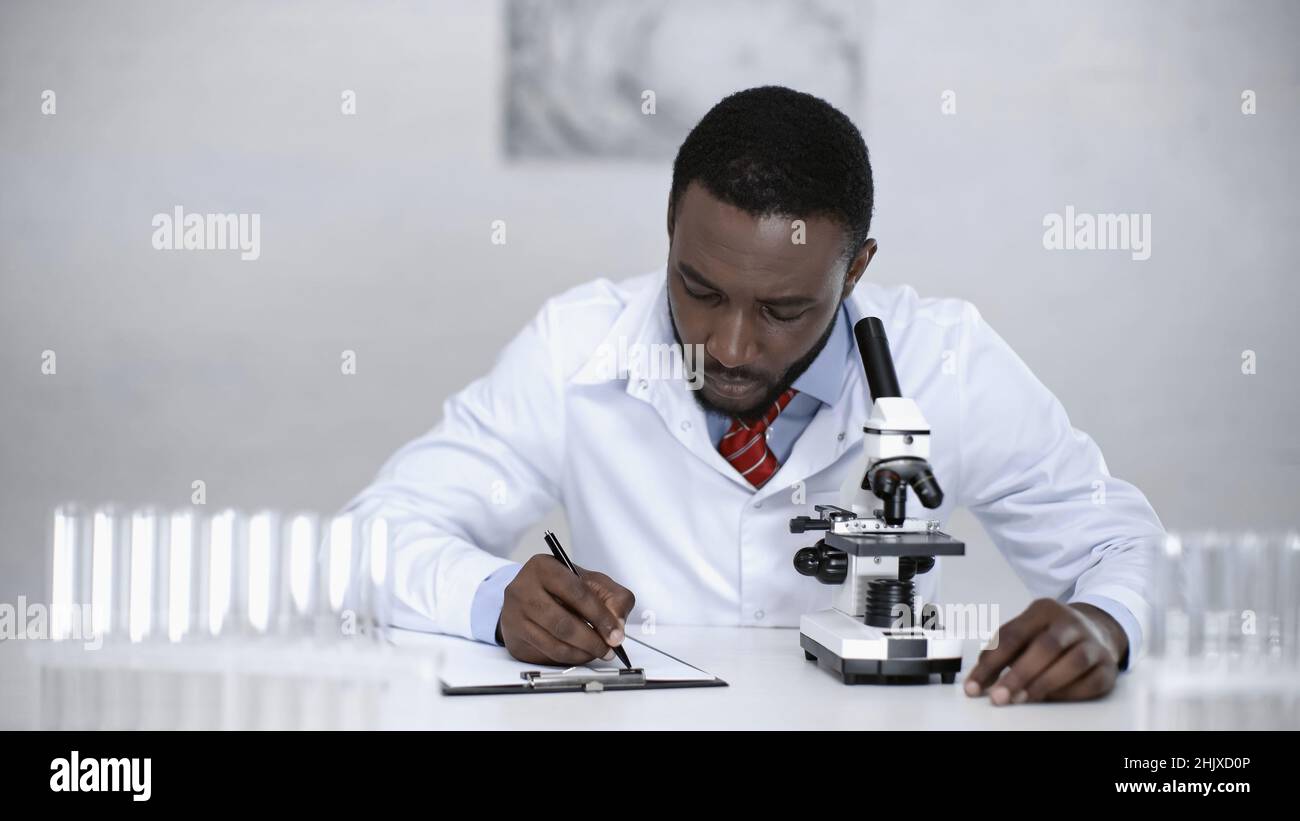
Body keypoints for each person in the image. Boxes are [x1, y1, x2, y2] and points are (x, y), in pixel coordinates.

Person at [344, 86, 1164, 705]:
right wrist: (493, 599)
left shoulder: (945, 359)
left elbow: (1121, 543)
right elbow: (372, 539)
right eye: (698, 289)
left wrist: (1104, 623)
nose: (730, 348)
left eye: (783, 309)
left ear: (858, 269)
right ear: (670, 228)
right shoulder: (575, 347)